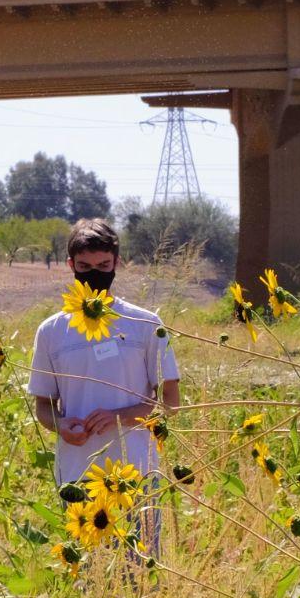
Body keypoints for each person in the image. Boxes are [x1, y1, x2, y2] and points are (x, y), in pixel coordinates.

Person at [27, 218, 180, 557]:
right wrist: (60, 424)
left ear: (117, 264)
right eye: (84, 266)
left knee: (140, 571)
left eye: (103, 266)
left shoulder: (144, 324)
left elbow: (170, 402)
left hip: (136, 471)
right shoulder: (52, 331)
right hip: (79, 473)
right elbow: (43, 406)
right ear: (70, 266)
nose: (94, 273)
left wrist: (120, 416)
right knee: (90, 578)